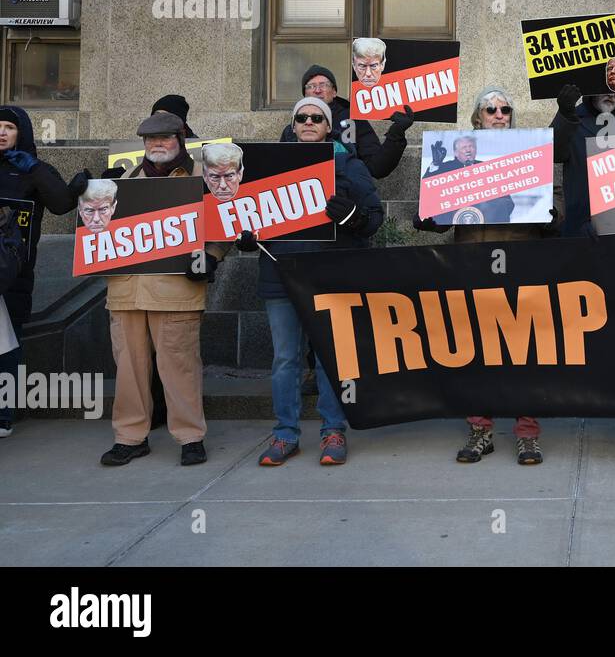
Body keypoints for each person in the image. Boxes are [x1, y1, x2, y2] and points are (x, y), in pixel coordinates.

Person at [412, 86, 572, 466]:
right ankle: (480, 430)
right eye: (490, 110)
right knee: (476, 353)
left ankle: (527, 434)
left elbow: (554, 214)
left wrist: (552, 221)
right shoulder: (450, 165)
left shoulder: (528, 158)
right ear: (477, 120)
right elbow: (438, 217)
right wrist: (427, 219)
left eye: (505, 110)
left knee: (525, 353)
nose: (499, 115)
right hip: (471, 267)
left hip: (521, 267)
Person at [244, 96, 384, 468]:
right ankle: (285, 434)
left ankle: (333, 430)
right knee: (285, 360)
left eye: (316, 117)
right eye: (301, 117)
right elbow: (241, 217)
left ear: (327, 127)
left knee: (329, 359)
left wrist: (354, 217)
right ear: (293, 126)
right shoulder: (264, 169)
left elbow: (374, 217)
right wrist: (242, 236)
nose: (308, 122)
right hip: (281, 275)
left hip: (331, 276)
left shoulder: (348, 164)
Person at [100, 112, 224, 468]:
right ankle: (129, 437)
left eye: (165, 138)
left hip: (176, 289)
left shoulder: (203, 178)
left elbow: (225, 224)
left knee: (180, 366)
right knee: (128, 368)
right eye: (150, 140)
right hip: (126, 291)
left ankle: (190, 437)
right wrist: (88, 194)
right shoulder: (123, 179)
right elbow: (95, 231)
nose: (157, 145)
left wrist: (212, 255)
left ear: (181, 138)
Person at [0, 105, 83, 438]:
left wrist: (36, 169)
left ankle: (3, 414)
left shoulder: (33, 169)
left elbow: (62, 203)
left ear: (23, 133)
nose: (2, 132)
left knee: (7, 344)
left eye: (9, 127)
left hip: (13, 274)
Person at [282, 65, 412, 179]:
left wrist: (397, 133)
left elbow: (377, 168)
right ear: (305, 94)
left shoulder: (354, 122)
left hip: (345, 198)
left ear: (334, 92)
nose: (317, 90)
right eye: (311, 86)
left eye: (323, 85)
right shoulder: (291, 130)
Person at [553, 84, 615, 237]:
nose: (611, 95)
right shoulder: (572, 119)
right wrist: (564, 114)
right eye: (605, 88)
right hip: (579, 228)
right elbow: (552, 153)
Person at [421, 135, 515, 225]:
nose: (468, 150)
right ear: (455, 152)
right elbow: (426, 192)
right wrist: (436, 164)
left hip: (484, 224)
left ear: (476, 150)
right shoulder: (443, 168)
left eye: (471, 146)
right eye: (464, 147)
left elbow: (507, 202)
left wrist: (491, 213)